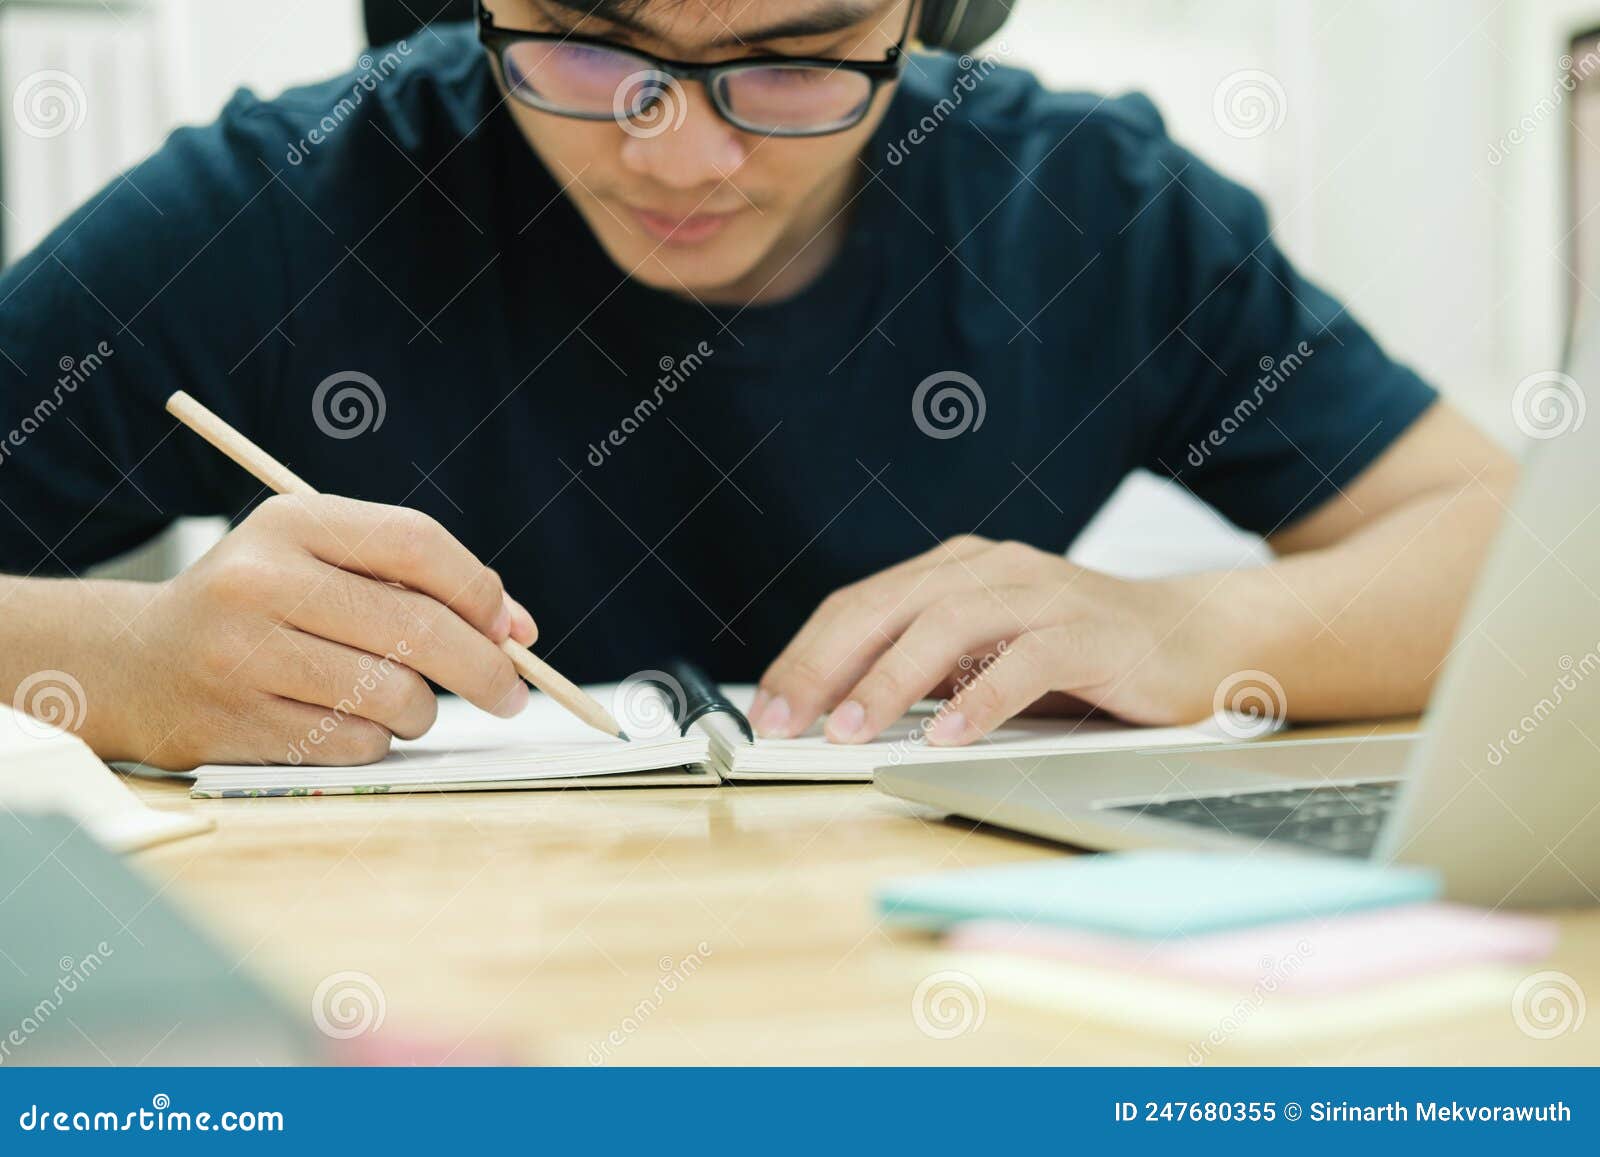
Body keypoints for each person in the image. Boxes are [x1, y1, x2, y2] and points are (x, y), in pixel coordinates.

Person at [0, 0, 1516, 769]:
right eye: (594, 48)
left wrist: (1195, 625)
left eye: (793, 62)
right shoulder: (283, 204)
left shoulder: (1088, 212)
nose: (681, 156)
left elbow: (1507, 544)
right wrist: (116, 660)